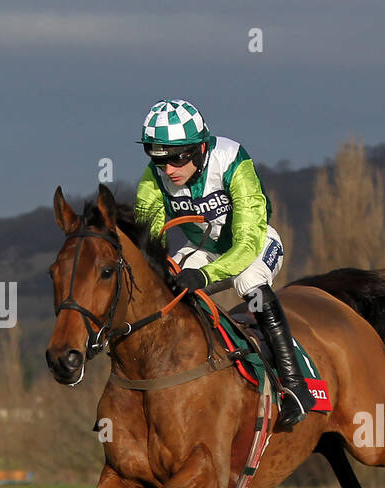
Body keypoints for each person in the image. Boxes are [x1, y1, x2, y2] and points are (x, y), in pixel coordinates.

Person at [135, 98, 316, 424]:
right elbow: (146, 239)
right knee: (165, 288)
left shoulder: (233, 161)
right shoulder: (156, 177)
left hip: (257, 243)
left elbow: (246, 243)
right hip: (205, 249)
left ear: (201, 148)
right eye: (159, 160)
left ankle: (295, 386)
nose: (168, 170)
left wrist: (203, 277)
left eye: (176, 159)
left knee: (250, 282)